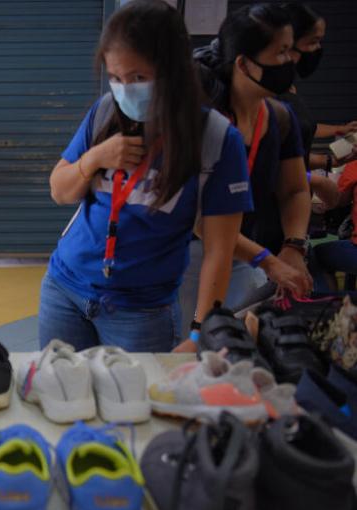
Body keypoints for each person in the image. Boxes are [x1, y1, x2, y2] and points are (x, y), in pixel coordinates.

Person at [39, 0, 252, 353]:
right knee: (58, 386)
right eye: (115, 78)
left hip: (140, 313)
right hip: (65, 290)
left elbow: (219, 250)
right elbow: (59, 191)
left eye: (138, 78)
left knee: (136, 392)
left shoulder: (216, 139)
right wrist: (94, 158)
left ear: (174, 71)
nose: (125, 90)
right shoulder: (105, 112)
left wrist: (199, 332)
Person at [181, 3, 314, 334]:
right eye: (281, 52)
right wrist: (269, 261)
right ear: (243, 63)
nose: (291, 61)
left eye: (291, 50)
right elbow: (198, 218)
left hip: (241, 255)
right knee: (184, 349)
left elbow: (295, 190)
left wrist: (293, 246)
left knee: (229, 349)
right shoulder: (201, 120)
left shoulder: (280, 118)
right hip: (182, 258)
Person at [279, 2, 357, 171]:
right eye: (313, 41)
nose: (318, 48)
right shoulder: (267, 95)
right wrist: (316, 180)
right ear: (288, 42)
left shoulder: (289, 88)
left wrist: (338, 132)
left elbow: (301, 131)